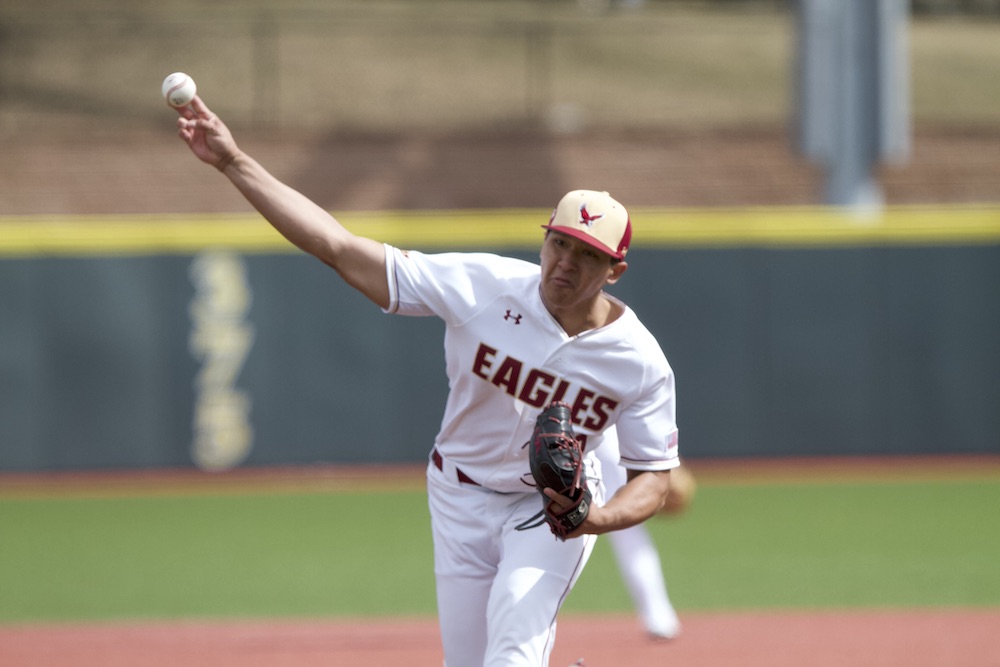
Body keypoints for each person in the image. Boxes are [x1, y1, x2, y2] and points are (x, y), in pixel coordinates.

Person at [171, 95, 681, 667]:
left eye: (586, 254)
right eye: (558, 242)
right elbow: (338, 247)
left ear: (615, 270)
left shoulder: (639, 360)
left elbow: (654, 480)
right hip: (459, 495)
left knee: (512, 651)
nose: (564, 262)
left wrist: (595, 516)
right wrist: (233, 161)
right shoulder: (482, 286)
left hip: (549, 510)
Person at [594, 428, 681, 641]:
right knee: (627, 530)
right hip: (604, 438)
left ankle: (658, 615)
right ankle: (659, 616)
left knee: (625, 528)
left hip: (602, 439)